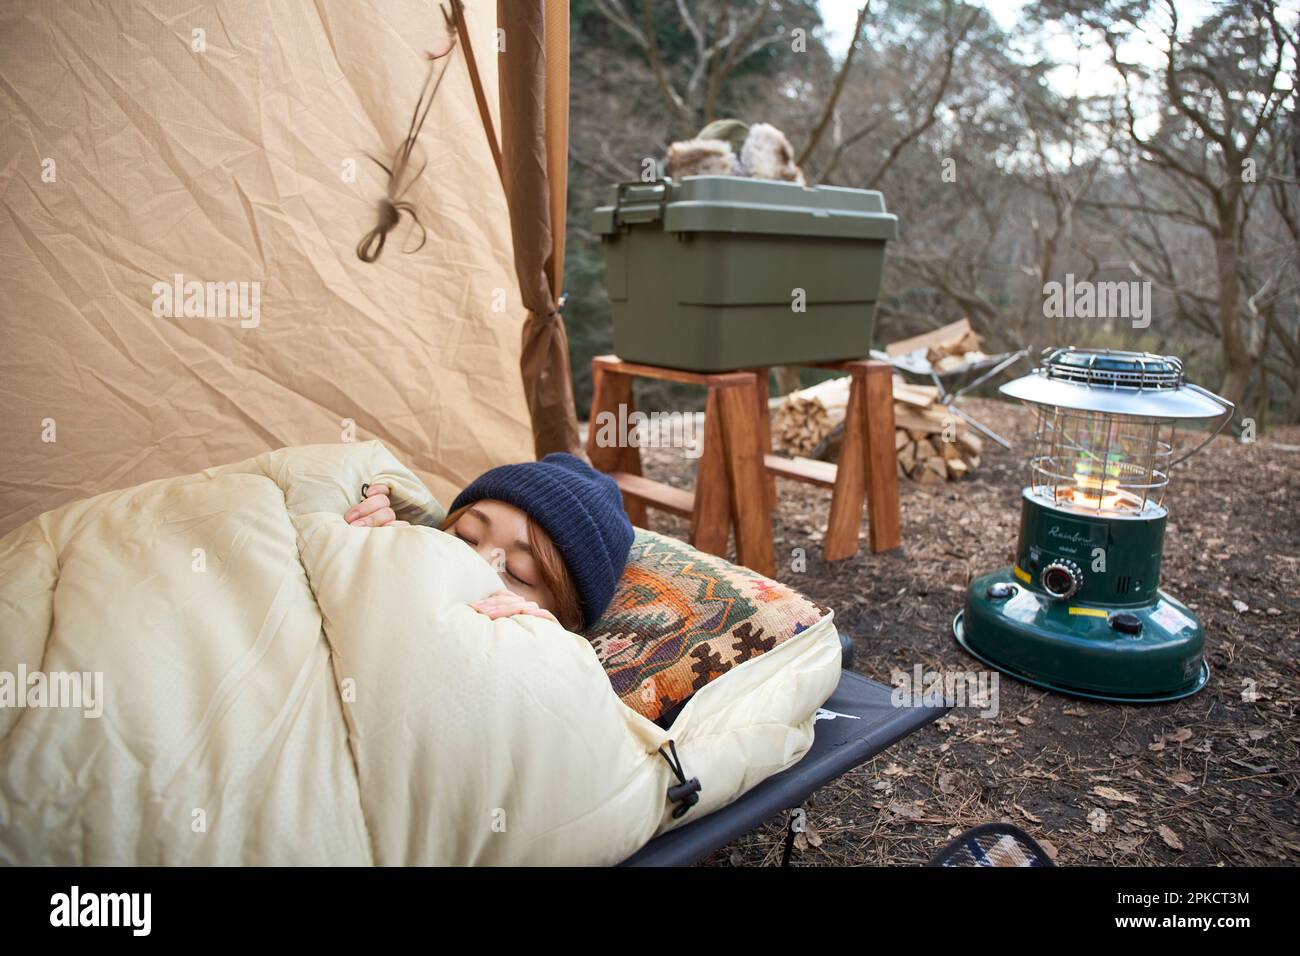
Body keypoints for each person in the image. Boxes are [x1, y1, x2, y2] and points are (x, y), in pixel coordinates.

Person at [343, 453, 633, 632]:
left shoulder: (550, 668)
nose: (473, 562)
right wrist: (365, 545)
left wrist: (552, 653)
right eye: (467, 536)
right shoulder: (391, 545)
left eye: (518, 572)